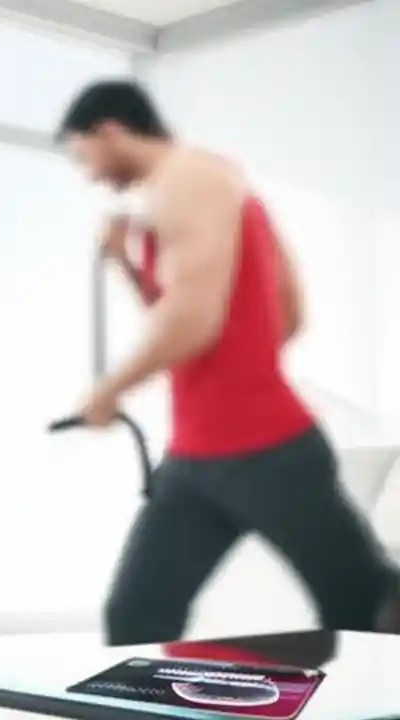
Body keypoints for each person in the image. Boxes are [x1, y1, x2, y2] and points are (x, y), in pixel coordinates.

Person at [56, 79, 400, 644]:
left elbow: (194, 319)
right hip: (197, 458)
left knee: (364, 608)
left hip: (266, 451)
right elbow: (283, 316)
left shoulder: (185, 180)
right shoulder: (221, 184)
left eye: (83, 156)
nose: (89, 174)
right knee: (136, 617)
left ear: (109, 130)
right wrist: (125, 264)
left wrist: (109, 390)